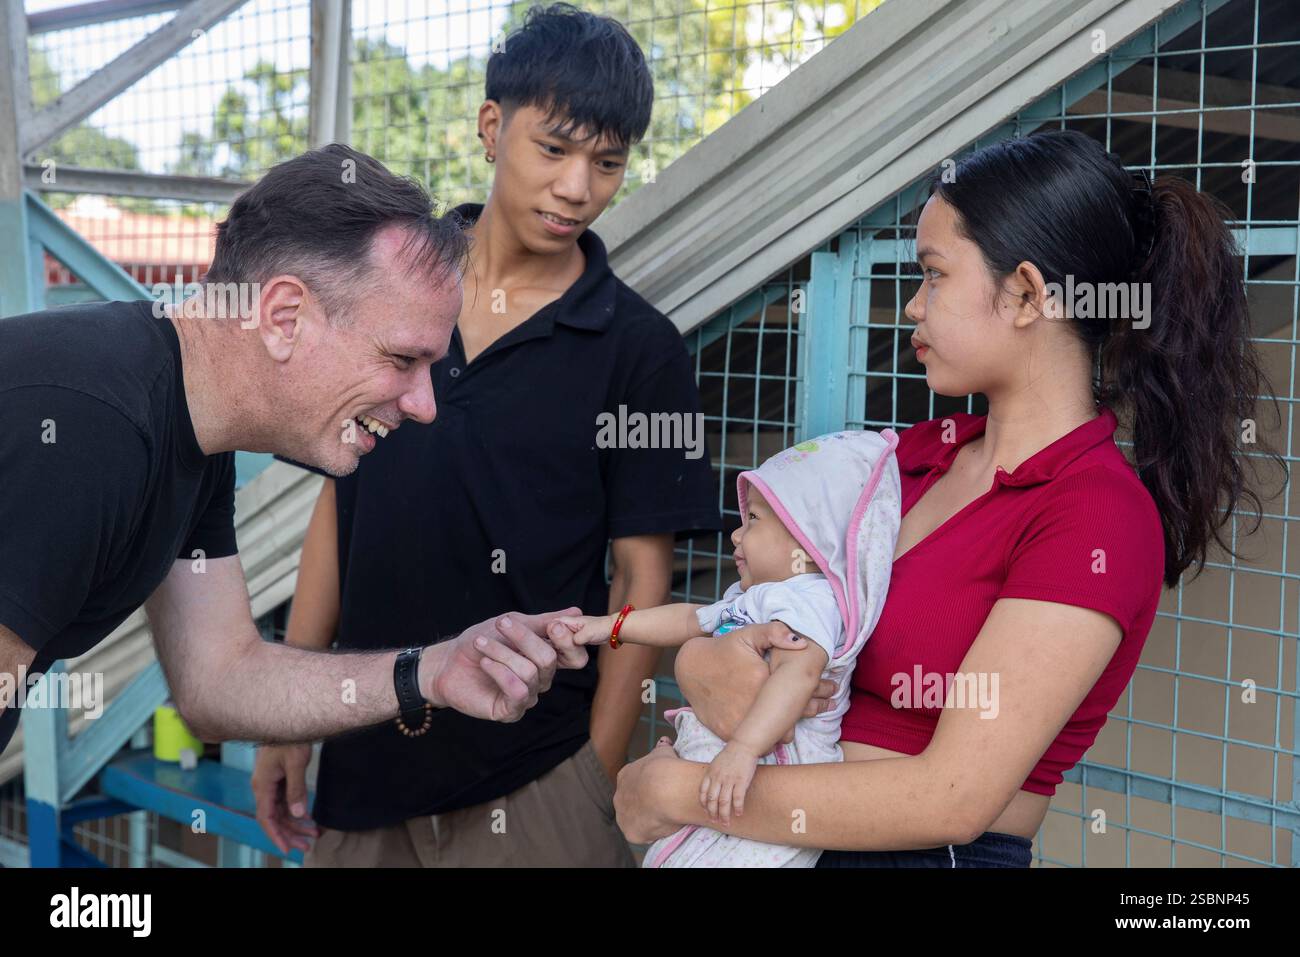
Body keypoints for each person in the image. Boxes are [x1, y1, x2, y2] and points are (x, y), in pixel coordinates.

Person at [612, 128, 1282, 867]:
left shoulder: (1097, 515)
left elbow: (952, 798)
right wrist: (706, 660)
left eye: (934, 275)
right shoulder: (906, 459)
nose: (911, 307)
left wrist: (677, 791)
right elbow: (756, 605)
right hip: (770, 831)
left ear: (1026, 293)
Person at [253, 3, 719, 867]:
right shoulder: (390, 285)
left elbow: (641, 577)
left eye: (608, 162)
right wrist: (291, 709)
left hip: (536, 773)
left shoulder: (638, 348)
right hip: (363, 749)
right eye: (555, 148)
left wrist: (596, 773)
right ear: (491, 126)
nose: (578, 186)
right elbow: (338, 498)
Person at [0, 144, 572, 758]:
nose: (425, 405)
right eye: (404, 359)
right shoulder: (92, 426)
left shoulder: (196, 425)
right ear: (284, 316)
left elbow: (219, 681)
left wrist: (431, 671)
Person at [556, 429, 900, 866]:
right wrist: (608, 626)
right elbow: (686, 619)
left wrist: (743, 749)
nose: (736, 536)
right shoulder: (755, 597)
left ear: (810, 540)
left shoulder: (810, 601)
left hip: (765, 780)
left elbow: (798, 675)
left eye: (753, 521)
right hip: (729, 783)